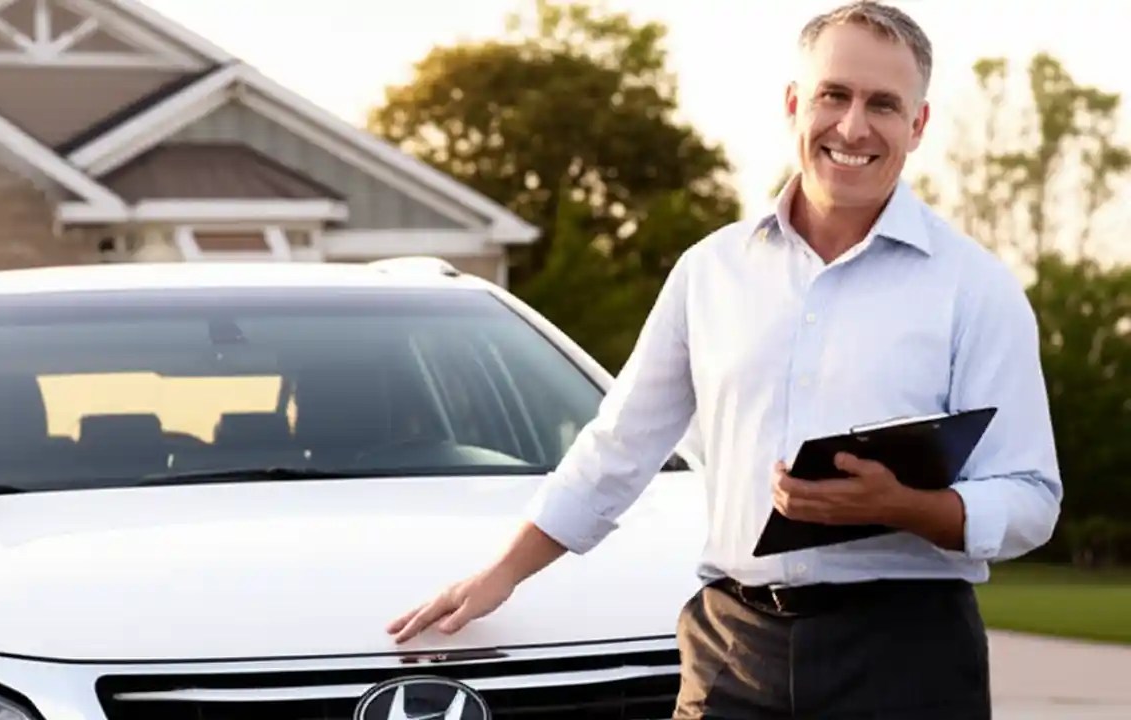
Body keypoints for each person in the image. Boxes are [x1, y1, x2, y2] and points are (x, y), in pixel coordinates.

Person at [387, 2, 1062, 718]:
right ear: (795, 103)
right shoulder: (710, 271)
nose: (854, 127)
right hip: (733, 655)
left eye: (884, 105)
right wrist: (503, 574)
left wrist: (905, 508)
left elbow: (1030, 497)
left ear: (918, 126)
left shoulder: (976, 288)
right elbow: (620, 445)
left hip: (908, 655)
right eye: (835, 94)